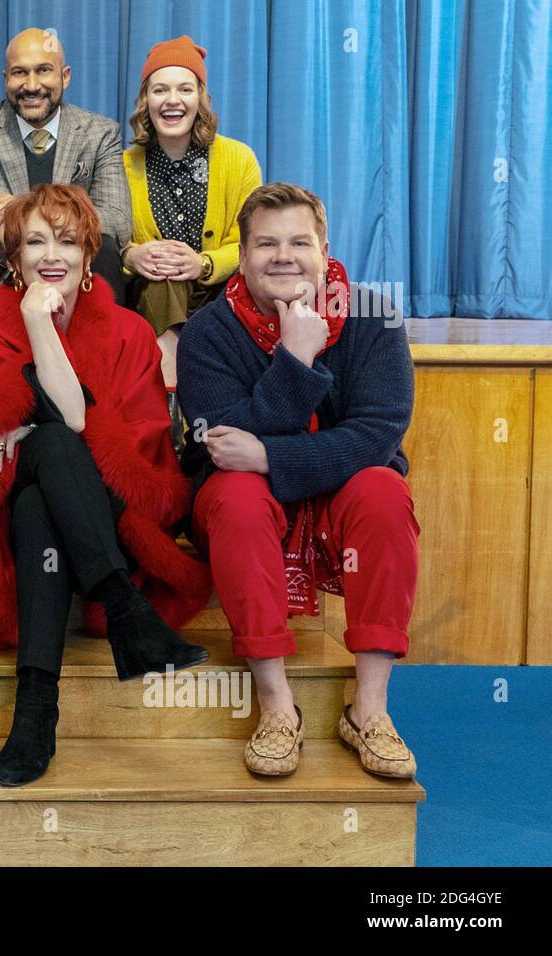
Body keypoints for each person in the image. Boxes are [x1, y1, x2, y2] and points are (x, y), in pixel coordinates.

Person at [0, 184, 211, 786]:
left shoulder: (127, 332)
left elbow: (107, 439)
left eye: (67, 242)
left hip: (117, 514)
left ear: (90, 255)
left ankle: (36, 710)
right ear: (14, 259)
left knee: (47, 449)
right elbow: (25, 436)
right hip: (25, 523)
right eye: (35, 241)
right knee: (44, 473)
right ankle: (125, 614)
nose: (52, 255)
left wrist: (34, 424)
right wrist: (33, 325)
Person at [177, 183, 419, 779]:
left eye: (298, 242)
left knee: (384, 489)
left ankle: (369, 710)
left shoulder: (374, 318)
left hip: (341, 499)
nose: (283, 256)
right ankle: (277, 706)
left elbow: (378, 435)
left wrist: (270, 455)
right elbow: (221, 444)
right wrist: (295, 357)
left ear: (324, 247)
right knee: (234, 496)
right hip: (242, 505)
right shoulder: (208, 332)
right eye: (265, 244)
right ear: (244, 251)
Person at [0, 28, 133, 387]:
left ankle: (104, 384)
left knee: (108, 249)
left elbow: (117, 220)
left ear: (64, 76)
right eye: (20, 72)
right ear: (6, 79)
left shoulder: (99, 133)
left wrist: (28, 211)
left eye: (44, 70)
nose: (32, 84)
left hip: (70, 271)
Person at [122, 35, 262, 448]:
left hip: (219, 291)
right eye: (159, 89)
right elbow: (106, 238)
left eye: (185, 89)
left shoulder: (238, 159)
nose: (172, 100)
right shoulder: (122, 165)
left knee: (180, 277)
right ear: (145, 99)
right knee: (166, 281)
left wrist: (203, 263)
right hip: (152, 293)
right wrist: (134, 254)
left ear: (201, 97)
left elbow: (254, 243)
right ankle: (179, 421)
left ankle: (179, 421)